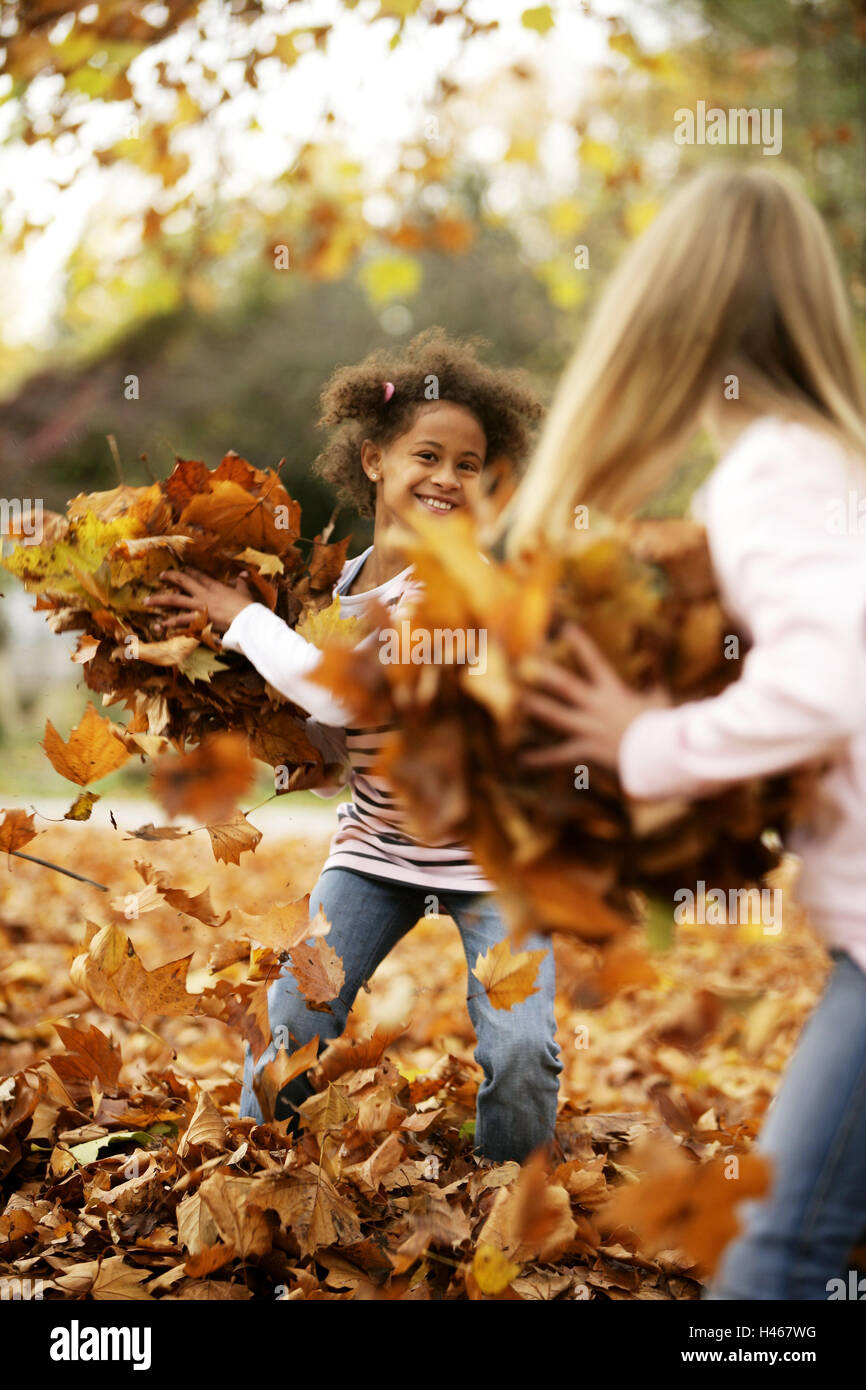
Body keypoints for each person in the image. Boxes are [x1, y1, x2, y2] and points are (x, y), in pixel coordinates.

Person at [504, 169, 866, 1298]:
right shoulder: (826, 464)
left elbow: (829, 677)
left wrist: (643, 741)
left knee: (776, 1255)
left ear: (667, 317)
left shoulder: (770, 476)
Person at [147, 329, 562, 1165]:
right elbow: (342, 721)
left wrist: (244, 618)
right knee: (293, 1018)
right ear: (373, 460)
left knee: (519, 1051)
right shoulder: (343, 587)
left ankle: (508, 1196)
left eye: (470, 465)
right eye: (428, 455)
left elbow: (343, 688)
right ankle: (263, 1173)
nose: (448, 478)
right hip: (377, 851)